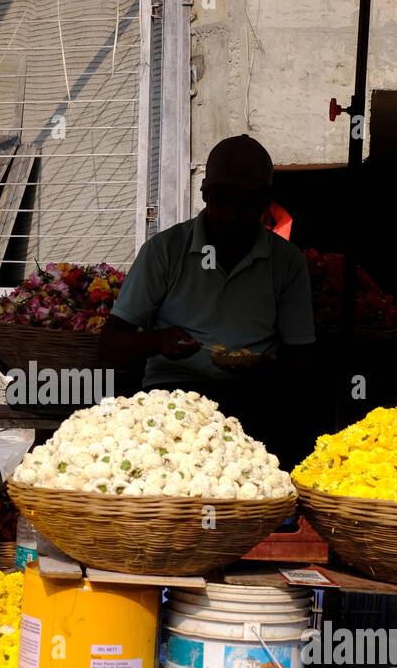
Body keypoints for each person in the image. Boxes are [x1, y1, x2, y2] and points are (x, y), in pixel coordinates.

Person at [98, 134, 317, 463]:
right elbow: (110, 344)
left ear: (264, 202)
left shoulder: (286, 261)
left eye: (245, 204)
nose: (231, 215)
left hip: (255, 396)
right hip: (173, 392)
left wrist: (267, 365)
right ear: (204, 194)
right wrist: (159, 342)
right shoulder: (165, 251)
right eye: (222, 201)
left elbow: (301, 356)